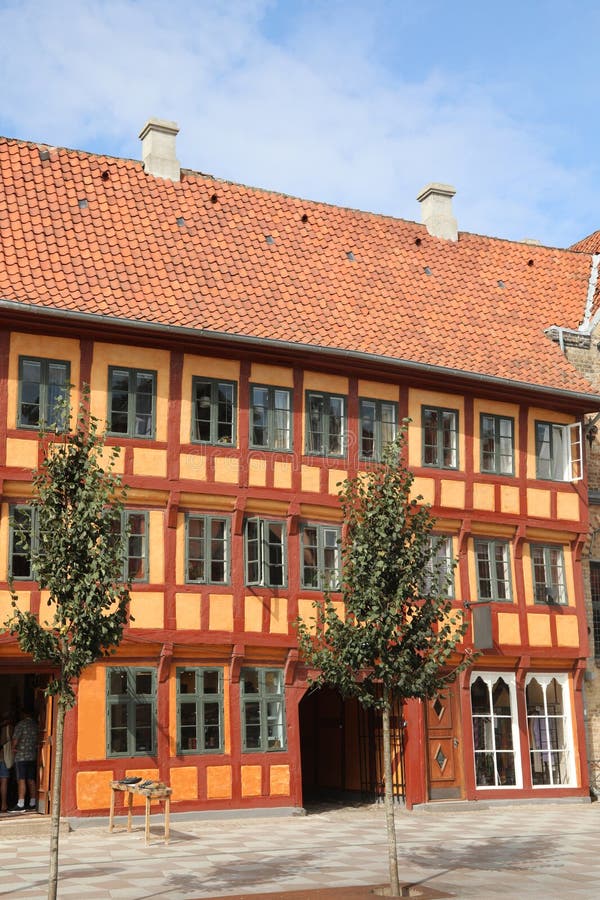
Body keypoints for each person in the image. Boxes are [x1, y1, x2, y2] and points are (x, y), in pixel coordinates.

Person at [11, 707, 38, 813]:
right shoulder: (35, 725)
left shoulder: (21, 725)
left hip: (21, 756)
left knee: (21, 779)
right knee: (31, 779)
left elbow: (15, 740)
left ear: (23, 714)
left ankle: (21, 803)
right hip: (32, 756)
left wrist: (13, 748)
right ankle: (33, 802)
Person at [0, 711, 14, 813]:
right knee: (4, 781)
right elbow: (5, 742)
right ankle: (4, 804)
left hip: (2, 757)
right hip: (3, 758)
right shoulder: (7, 728)